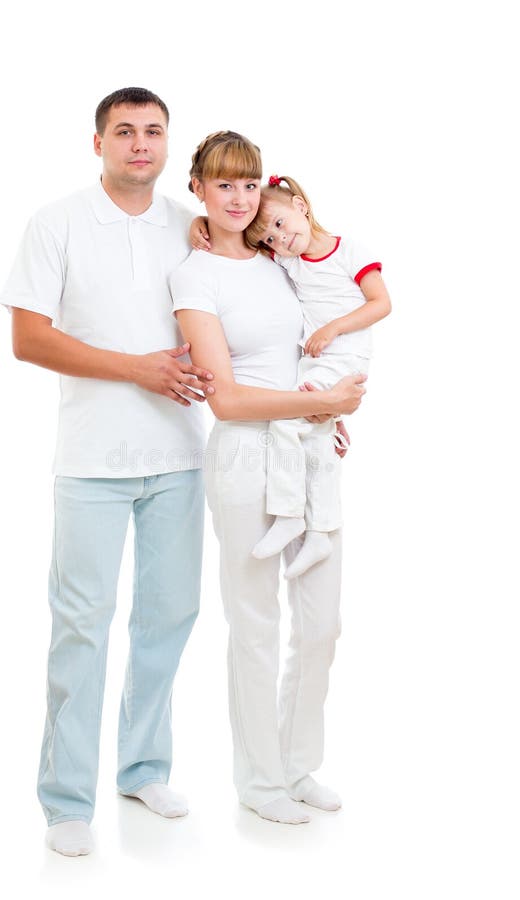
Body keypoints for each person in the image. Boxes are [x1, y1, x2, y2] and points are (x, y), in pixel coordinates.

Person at [0, 87, 216, 857]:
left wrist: (314, 407)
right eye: (123, 131)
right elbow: (29, 338)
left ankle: (144, 766)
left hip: (181, 458)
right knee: (81, 629)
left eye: (153, 132)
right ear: (97, 143)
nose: (139, 144)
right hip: (90, 462)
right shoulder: (55, 223)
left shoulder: (192, 229)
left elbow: (247, 319)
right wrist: (135, 369)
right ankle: (65, 800)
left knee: (168, 618)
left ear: (167, 145)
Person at [170, 131, 366, 824]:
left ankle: (295, 763)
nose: (239, 198)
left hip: (303, 449)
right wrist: (318, 402)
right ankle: (258, 784)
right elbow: (225, 397)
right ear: (198, 188)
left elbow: (317, 330)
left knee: (322, 624)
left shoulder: (275, 260)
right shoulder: (195, 275)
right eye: (224, 184)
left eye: (249, 184)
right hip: (245, 456)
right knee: (255, 622)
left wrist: (322, 411)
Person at [242, 174, 392, 578]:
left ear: (300, 207)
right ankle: (322, 530)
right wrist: (197, 225)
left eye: (279, 224)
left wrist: (332, 329)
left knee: (286, 419)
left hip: (345, 355)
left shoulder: (348, 251)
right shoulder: (291, 261)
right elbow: (237, 243)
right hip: (317, 362)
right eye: (269, 239)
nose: (279, 240)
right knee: (317, 437)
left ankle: (290, 514)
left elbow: (381, 304)